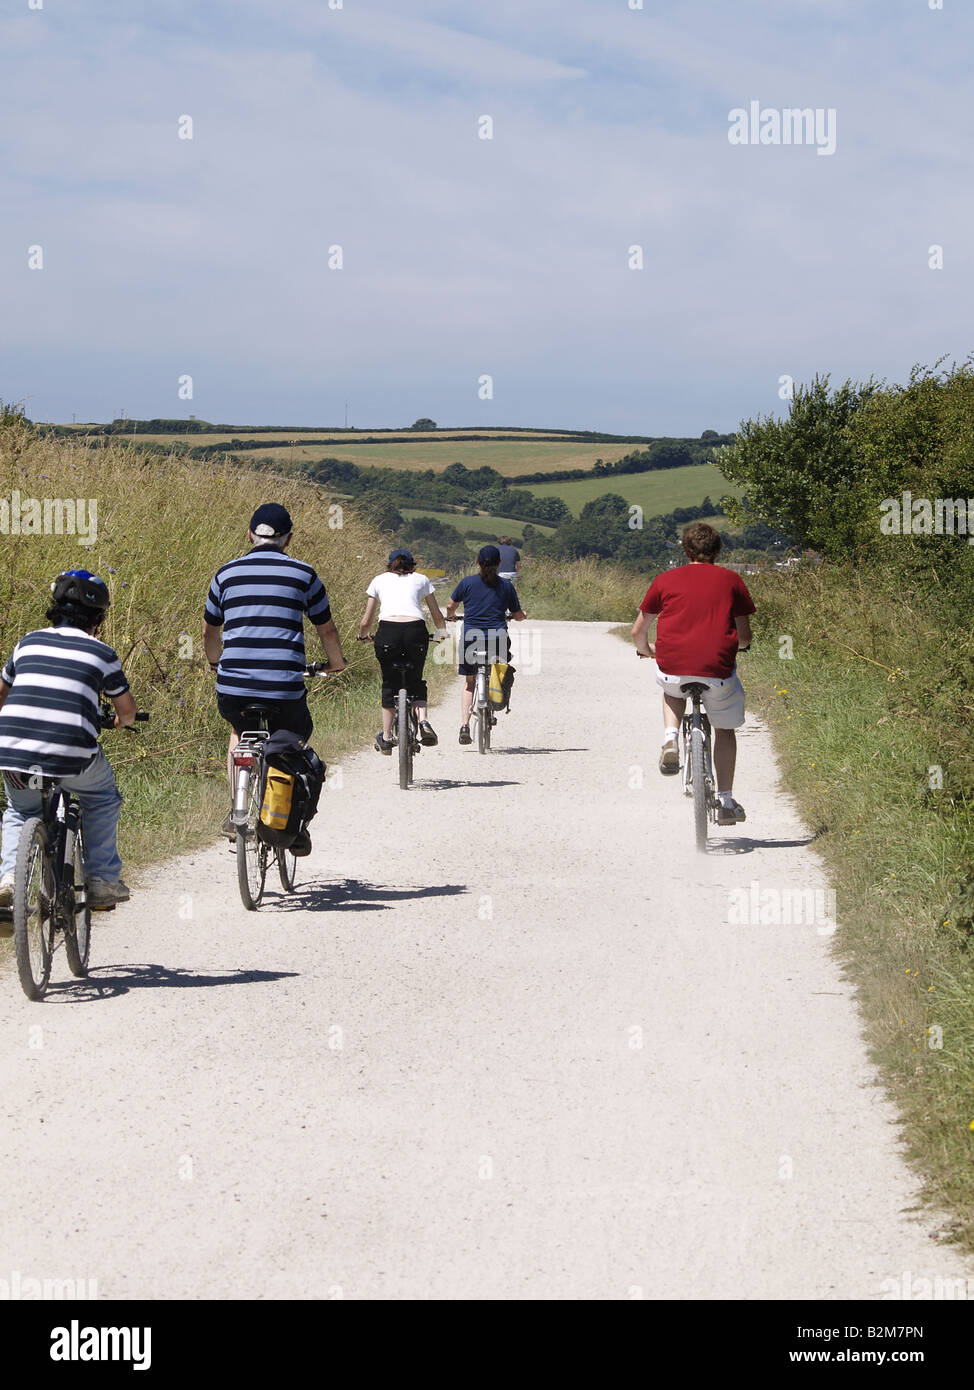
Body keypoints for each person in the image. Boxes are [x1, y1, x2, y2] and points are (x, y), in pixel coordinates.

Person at [203, 503, 347, 849]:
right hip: (283, 687)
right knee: (293, 736)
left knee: (239, 730)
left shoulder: (225, 575)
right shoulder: (304, 574)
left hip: (233, 686)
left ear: (249, 535)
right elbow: (326, 630)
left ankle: (235, 809)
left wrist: (215, 662)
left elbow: (209, 630)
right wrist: (335, 663)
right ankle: (288, 822)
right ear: (288, 539)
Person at [0, 570, 137, 913]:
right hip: (72, 759)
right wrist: (119, 722)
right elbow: (127, 712)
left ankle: (9, 881)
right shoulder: (102, 653)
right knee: (102, 797)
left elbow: (2, 693)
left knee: (20, 810)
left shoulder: (27, 643)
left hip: (14, 755)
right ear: (98, 618)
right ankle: (102, 880)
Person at [631, 521, 754, 826]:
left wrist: (647, 651)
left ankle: (670, 738)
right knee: (724, 729)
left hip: (673, 667)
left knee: (671, 688)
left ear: (686, 551)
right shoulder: (732, 581)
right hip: (718, 672)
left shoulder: (665, 580)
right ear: (718, 551)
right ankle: (726, 801)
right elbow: (744, 638)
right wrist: (735, 646)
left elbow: (638, 631)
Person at [357, 548, 447, 754]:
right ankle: (423, 722)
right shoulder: (421, 579)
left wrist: (363, 635)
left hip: (387, 632)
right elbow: (437, 615)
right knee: (416, 680)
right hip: (416, 632)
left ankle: (386, 737)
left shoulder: (378, 580)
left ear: (390, 564)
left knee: (390, 683)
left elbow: (366, 621)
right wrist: (442, 633)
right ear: (412, 565)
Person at [446, 545, 526, 744]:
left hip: (470, 639)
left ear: (478, 562)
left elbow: (450, 605)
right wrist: (522, 616)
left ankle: (465, 725)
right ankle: (495, 696)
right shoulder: (506, 586)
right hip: (497, 638)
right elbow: (517, 614)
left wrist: (451, 616)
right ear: (499, 563)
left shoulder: (467, 583)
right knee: (499, 667)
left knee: (469, 683)